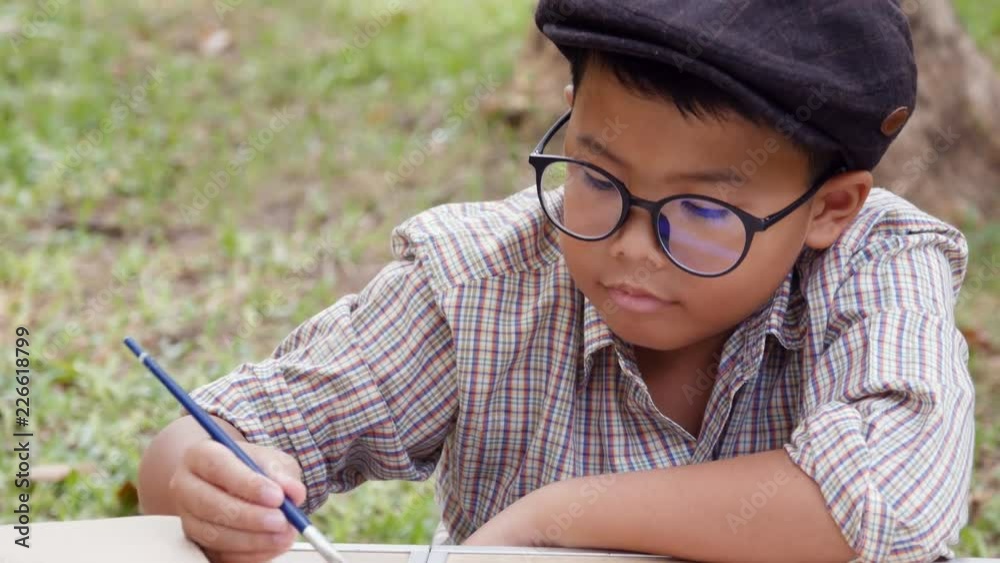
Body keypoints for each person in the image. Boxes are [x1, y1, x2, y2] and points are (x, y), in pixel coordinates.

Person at [136, 1, 975, 562]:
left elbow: (889, 499)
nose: (633, 248)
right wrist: (215, 478)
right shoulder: (481, 281)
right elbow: (208, 439)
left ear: (830, 208)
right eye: (599, 179)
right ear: (572, 115)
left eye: (705, 213)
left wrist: (557, 518)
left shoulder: (879, 266)